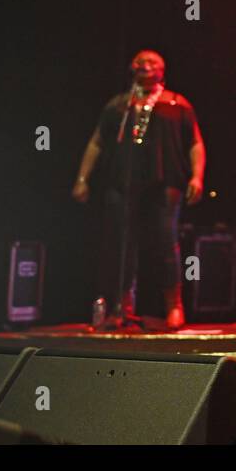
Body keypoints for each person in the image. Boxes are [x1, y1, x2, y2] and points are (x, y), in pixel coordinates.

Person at [73, 50, 205, 330]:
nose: (145, 65)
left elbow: (195, 143)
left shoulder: (177, 104)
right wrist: (83, 179)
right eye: (140, 62)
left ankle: (174, 306)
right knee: (121, 245)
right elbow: (97, 142)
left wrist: (197, 177)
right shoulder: (119, 105)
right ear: (131, 68)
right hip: (122, 182)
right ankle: (123, 306)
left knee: (165, 242)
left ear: (162, 69)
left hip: (165, 181)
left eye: (152, 62)